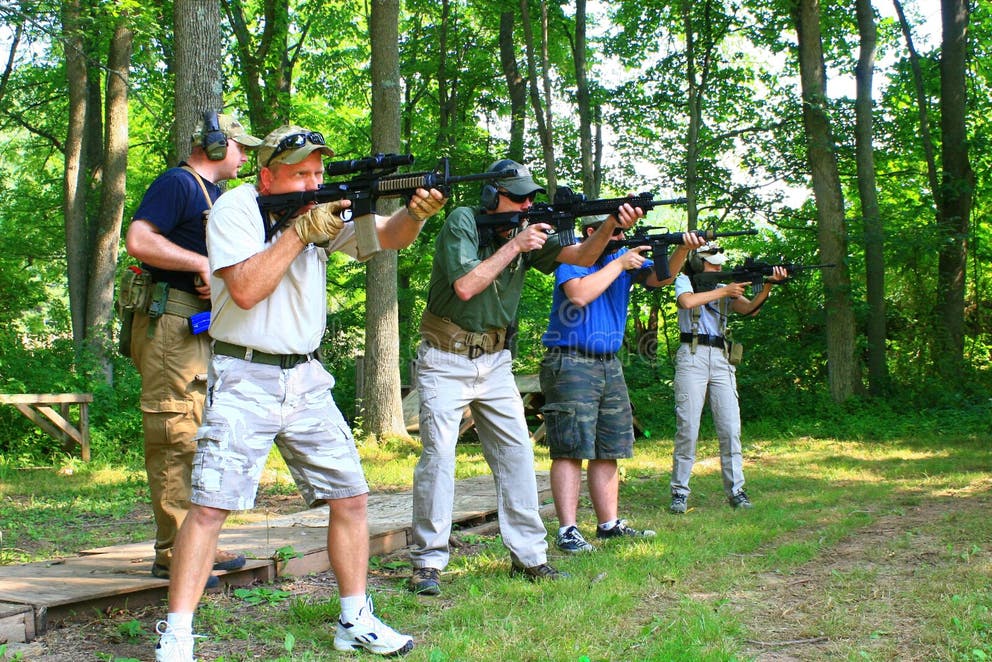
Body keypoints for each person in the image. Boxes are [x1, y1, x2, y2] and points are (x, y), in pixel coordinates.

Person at [153, 125, 447, 661]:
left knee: (351, 497)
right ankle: (177, 635)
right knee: (210, 507)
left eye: (318, 173)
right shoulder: (236, 210)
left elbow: (385, 236)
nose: (314, 182)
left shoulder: (320, 209)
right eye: (300, 174)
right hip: (245, 373)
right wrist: (299, 232)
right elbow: (243, 290)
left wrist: (416, 213)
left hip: (307, 377)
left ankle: (355, 619)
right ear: (267, 175)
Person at [408, 160, 641, 596]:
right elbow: (464, 286)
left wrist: (610, 226)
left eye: (531, 197)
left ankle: (530, 557)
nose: (528, 203)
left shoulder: (526, 229)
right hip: (446, 356)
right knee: (439, 459)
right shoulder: (463, 221)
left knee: (517, 456)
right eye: (518, 197)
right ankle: (427, 564)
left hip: (495, 361)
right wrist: (516, 244)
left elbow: (578, 256)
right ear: (491, 197)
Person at [125, 112, 262, 586]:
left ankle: (190, 542)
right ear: (215, 145)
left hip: (197, 326)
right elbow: (139, 240)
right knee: (174, 430)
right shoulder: (178, 183)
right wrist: (200, 262)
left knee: (197, 432)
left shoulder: (218, 196)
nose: (245, 155)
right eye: (240, 145)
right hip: (170, 325)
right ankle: (173, 552)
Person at [540, 216, 707, 553]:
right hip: (570, 359)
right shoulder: (574, 256)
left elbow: (661, 278)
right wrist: (618, 262)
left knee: (609, 446)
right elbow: (579, 295)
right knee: (571, 447)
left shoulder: (622, 259)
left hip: (608, 363)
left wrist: (679, 250)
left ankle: (608, 525)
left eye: (623, 233)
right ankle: (568, 530)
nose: (622, 237)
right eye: (616, 232)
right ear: (593, 232)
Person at [668, 242, 787, 514]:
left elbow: (749, 309)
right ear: (699, 265)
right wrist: (723, 290)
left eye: (720, 263)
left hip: (721, 357)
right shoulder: (686, 279)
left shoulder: (726, 285)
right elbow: (686, 301)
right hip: (692, 354)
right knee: (688, 428)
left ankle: (736, 491)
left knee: (730, 428)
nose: (719, 267)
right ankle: (679, 492)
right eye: (713, 264)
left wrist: (767, 285)